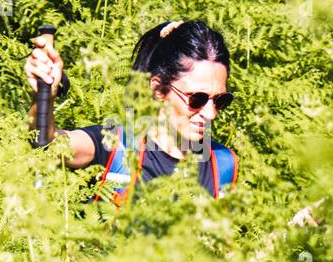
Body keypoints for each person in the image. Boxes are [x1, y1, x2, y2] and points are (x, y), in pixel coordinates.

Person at [24, 17, 239, 205]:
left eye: (220, 100)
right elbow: (48, 146)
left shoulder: (222, 165)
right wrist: (45, 97)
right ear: (157, 89)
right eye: (197, 99)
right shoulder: (116, 146)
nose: (211, 114)